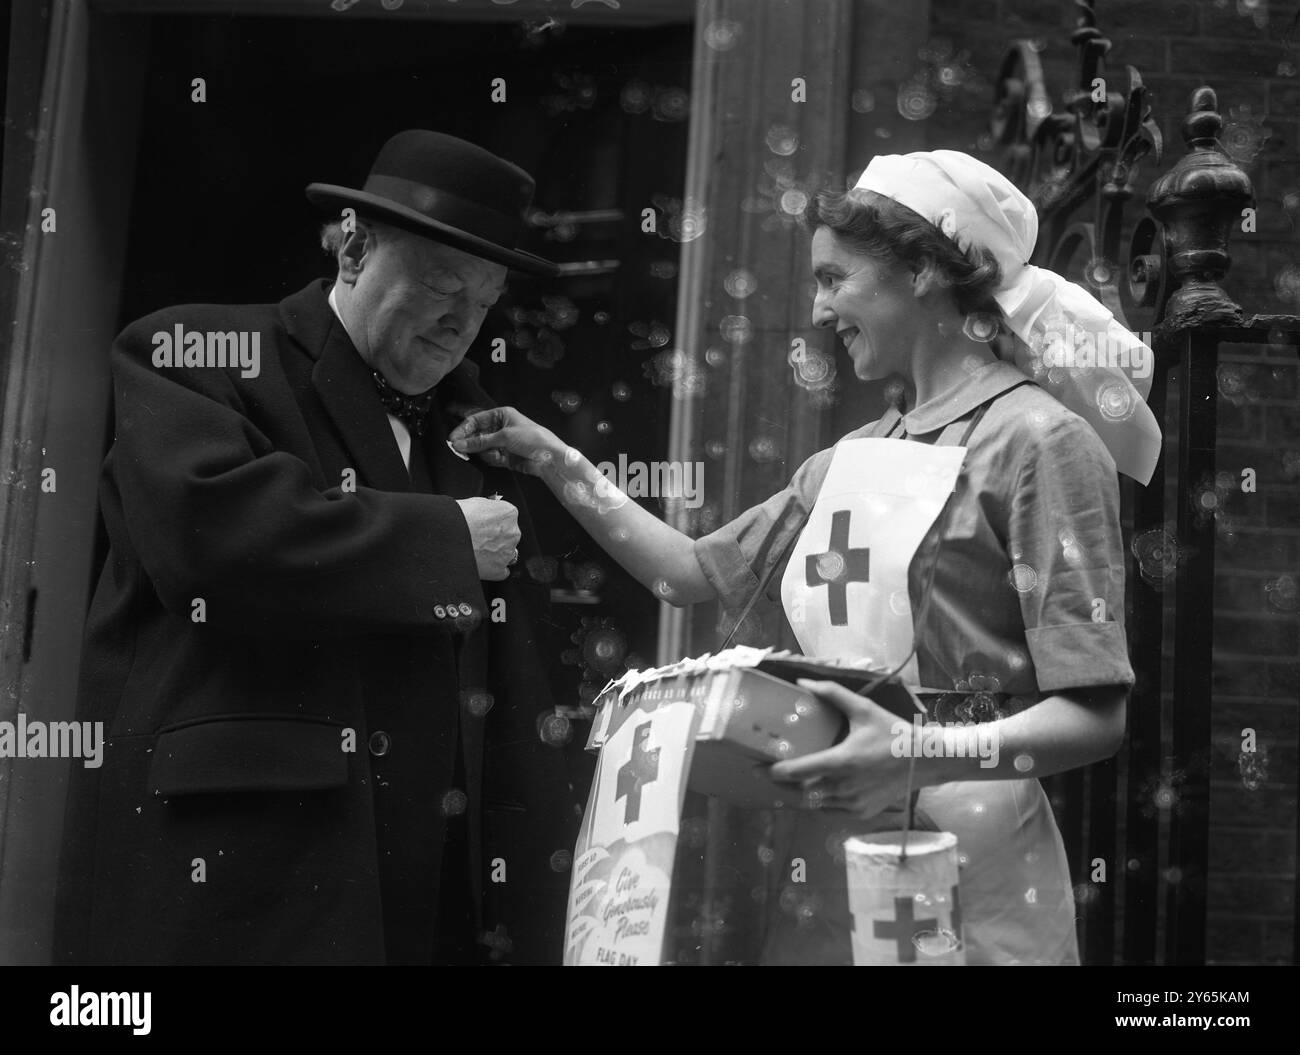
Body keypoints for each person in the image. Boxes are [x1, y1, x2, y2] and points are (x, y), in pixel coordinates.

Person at [448, 149, 1162, 965]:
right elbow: (684, 573)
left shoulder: (1041, 441)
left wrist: (914, 752)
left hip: (975, 858)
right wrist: (555, 461)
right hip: (829, 854)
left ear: (925, 270)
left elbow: (1096, 715)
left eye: (835, 278)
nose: (820, 309)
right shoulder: (851, 456)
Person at [53, 129, 578, 965]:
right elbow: (211, 541)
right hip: (242, 876)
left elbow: (512, 674)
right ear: (356, 247)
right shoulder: (193, 352)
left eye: (484, 302)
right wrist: (443, 539)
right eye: (442, 287)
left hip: (437, 892)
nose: (460, 325)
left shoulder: (481, 427)